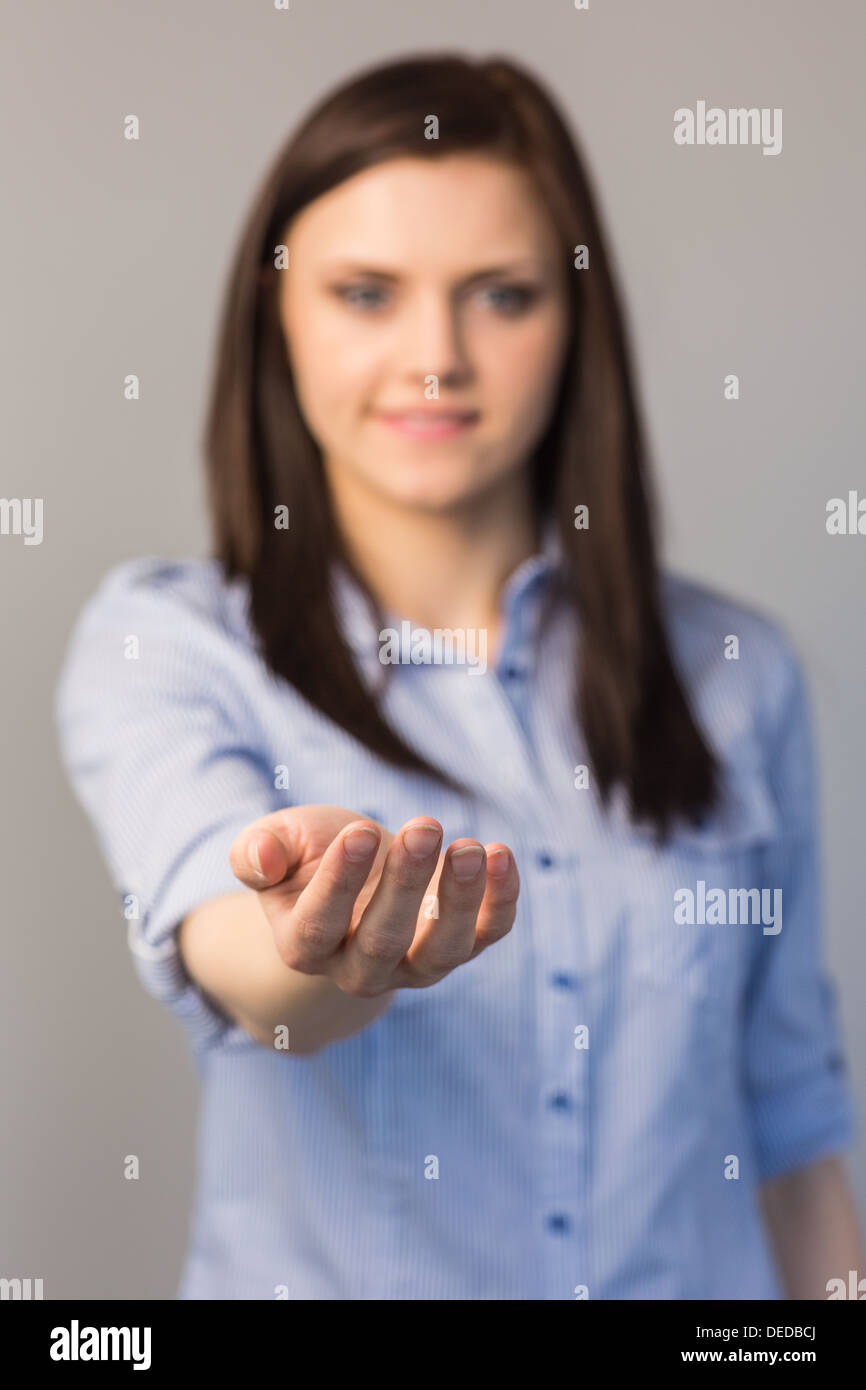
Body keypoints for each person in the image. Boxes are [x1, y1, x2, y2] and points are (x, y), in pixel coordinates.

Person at [55, 53, 862, 1300]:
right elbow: (250, 978)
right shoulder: (171, 647)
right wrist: (324, 941)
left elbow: (789, 1134)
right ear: (279, 318)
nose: (435, 355)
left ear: (575, 320)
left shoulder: (733, 676)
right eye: (365, 293)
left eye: (500, 294)